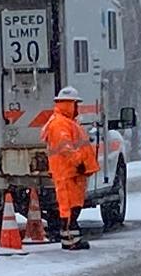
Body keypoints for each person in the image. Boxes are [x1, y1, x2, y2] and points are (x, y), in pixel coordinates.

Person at [42, 86, 100, 250]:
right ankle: (70, 239)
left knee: (73, 206)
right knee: (68, 208)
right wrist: (78, 162)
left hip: (71, 173)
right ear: (69, 104)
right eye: (75, 104)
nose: (77, 108)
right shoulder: (60, 124)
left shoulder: (67, 122)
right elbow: (65, 147)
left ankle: (71, 238)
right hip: (67, 173)